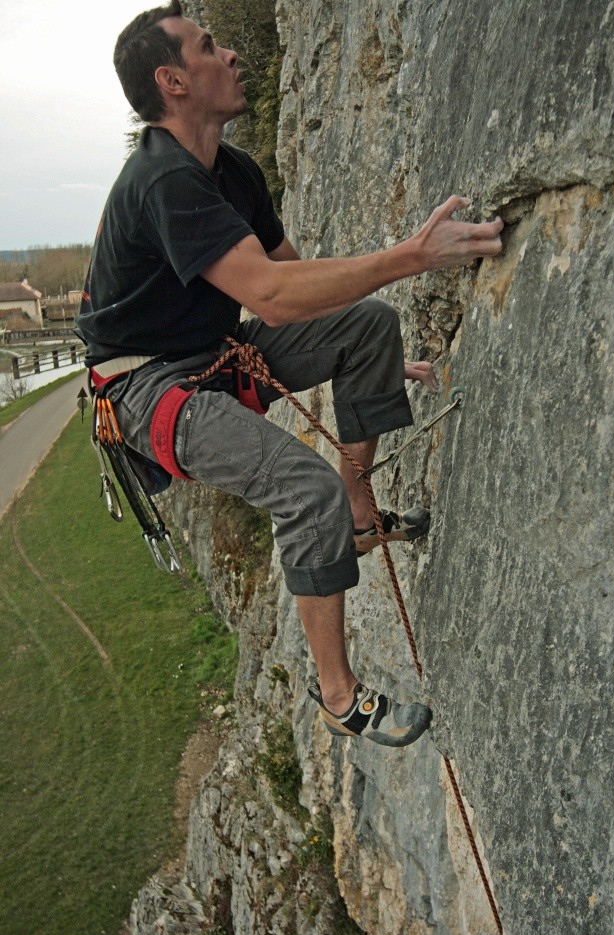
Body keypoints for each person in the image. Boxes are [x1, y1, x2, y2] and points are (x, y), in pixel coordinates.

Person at [76, 0, 503, 748]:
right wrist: (411, 255)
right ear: (173, 81)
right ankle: (338, 695)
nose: (232, 54)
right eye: (210, 47)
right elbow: (270, 297)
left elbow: (292, 281)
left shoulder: (230, 171)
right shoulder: (163, 181)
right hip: (145, 390)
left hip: (212, 355)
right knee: (304, 488)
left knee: (369, 325)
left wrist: (368, 359)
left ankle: (361, 514)